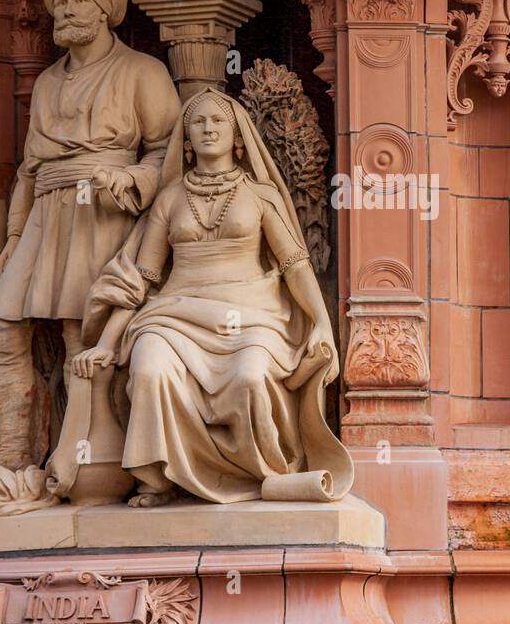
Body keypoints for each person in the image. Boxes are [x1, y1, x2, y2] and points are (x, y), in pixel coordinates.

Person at [60, 88, 351, 505]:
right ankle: (161, 480)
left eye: (218, 121)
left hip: (253, 316)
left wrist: (321, 322)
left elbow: (296, 265)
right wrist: (107, 344)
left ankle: (264, 473)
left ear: (237, 137)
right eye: (198, 122)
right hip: (173, 316)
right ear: (187, 138)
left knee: (251, 376)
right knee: (148, 368)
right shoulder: (169, 199)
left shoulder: (261, 195)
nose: (208, 128)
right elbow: (143, 278)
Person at [0, 0, 181, 470]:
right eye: (60, 2)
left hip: (104, 213)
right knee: (1, 326)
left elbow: (169, 150)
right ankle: (11, 456)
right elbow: (28, 168)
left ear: (104, 5)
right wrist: (12, 236)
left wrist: (132, 176)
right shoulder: (47, 83)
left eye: (77, 0)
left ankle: (86, 458)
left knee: (82, 332)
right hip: (47, 216)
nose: (66, 11)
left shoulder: (142, 72)